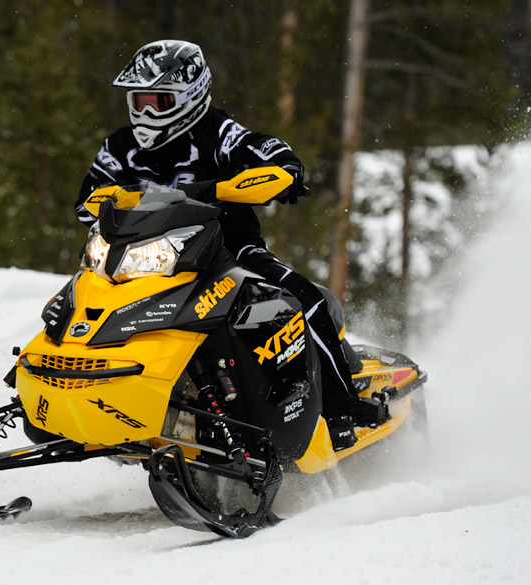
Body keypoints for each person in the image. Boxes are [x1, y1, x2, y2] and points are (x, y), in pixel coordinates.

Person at [73, 39, 380, 434]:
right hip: (143, 256)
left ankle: (342, 408)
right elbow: (87, 200)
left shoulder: (217, 133)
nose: (147, 112)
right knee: (84, 300)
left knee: (304, 300)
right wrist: (127, 196)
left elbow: (269, 151)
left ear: (191, 96)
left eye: (159, 102)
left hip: (226, 249)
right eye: (140, 101)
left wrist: (283, 171)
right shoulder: (120, 146)